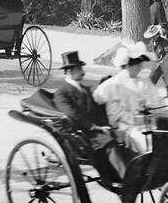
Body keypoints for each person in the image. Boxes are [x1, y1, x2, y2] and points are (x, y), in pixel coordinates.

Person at [52, 51, 129, 180]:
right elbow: (72, 114)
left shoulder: (85, 89)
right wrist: (94, 126)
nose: (82, 72)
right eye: (79, 69)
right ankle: (127, 179)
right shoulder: (61, 93)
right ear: (69, 71)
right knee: (110, 143)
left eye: (81, 68)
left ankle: (130, 174)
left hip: (98, 129)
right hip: (83, 133)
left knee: (126, 137)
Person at [92, 41, 168, 154]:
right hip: (124, 126)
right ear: (127, 65)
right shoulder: (113, 84)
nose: (140, 67)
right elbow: (100, 102)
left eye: (140, 64)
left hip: (146, 123)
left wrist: (154, 109)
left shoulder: (143, 82)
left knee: (167, 133)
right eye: (136, 65)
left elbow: (156, 101)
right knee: (144, 139)